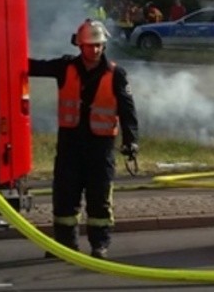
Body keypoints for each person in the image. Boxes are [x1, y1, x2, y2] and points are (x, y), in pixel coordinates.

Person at [28, 20, 139, 259]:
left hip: (101, 147)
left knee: (99, 197)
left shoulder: (116, 74)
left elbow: (127, 110)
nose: (95, 50)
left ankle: (99, 245)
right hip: (70, 144)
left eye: (99, 45)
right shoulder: (65, 67)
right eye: (90, 45)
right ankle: (65, 245)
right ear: (80, 45)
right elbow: (34, 67)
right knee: (65, 196)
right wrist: (7, 56)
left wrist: (131, 141)